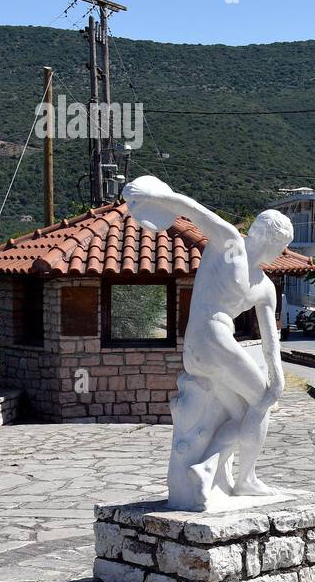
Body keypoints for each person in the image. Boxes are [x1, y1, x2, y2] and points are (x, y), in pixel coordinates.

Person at [123, 175, 293, 511]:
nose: (280, 252)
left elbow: (270, 339)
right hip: (211, 336)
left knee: (244, 411)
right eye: (280, 244)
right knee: (259, 401)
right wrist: (154, 195)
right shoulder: (229, 241)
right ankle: (245, 479)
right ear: (269, 238)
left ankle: (206, 468)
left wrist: (279, 377)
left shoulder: (265, 286)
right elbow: (193, 210)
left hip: (203, 347)